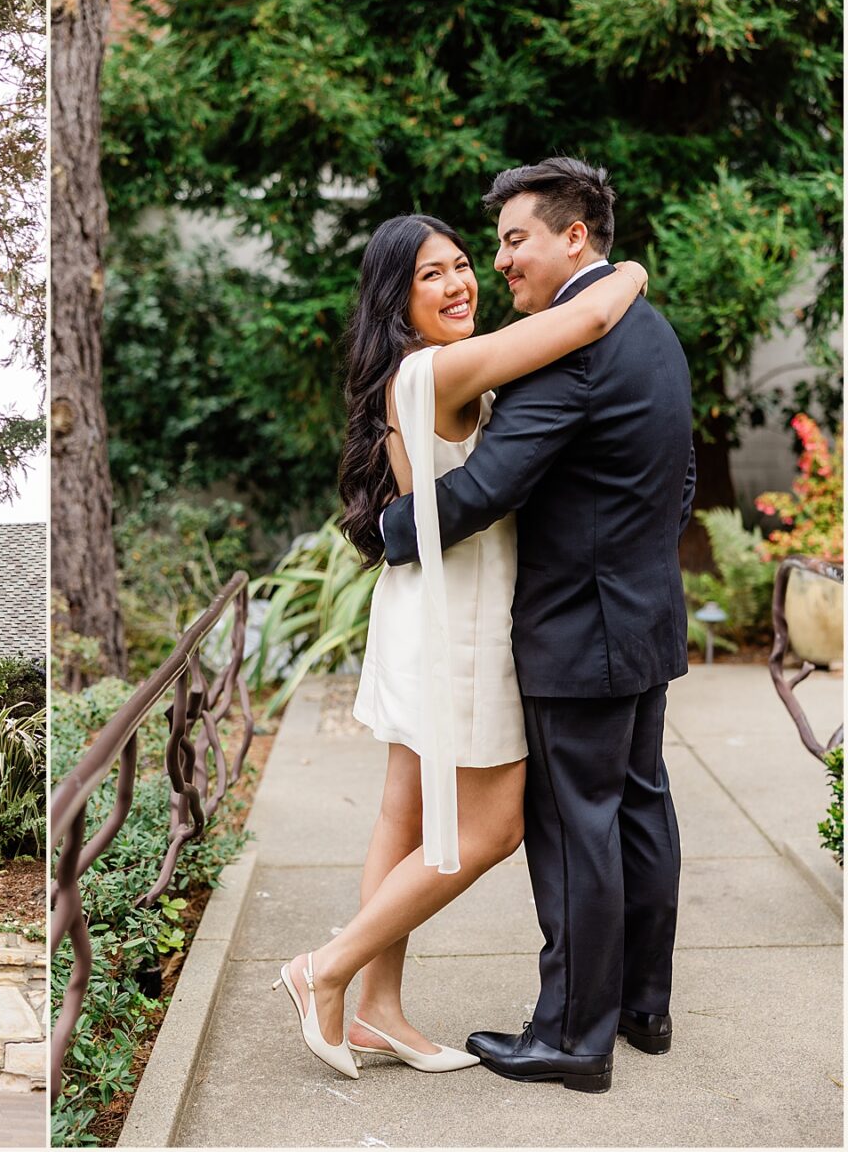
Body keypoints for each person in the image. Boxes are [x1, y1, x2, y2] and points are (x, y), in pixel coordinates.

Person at [275, 174, 662, 1088]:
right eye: (432, 277)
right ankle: (322, 970)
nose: (461, 284)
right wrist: (629, 267)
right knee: (487, 829)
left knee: (401, 815)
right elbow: (578, 325)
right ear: (396, 302)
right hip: (464, 628)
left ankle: (378, 1009)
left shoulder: (429, 366)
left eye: (463, 265)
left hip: (426, 613)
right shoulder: (437, 369)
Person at [375, 158, 695, 1093]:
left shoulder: (576, 349)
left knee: (575, 829)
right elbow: (678, 478)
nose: (502, 261)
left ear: (574, 239)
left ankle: (571, 1036)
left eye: (514, 240)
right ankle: (642, 1005)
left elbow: (482, 488)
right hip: (641, 616)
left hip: (577, 632)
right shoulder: (650, 326)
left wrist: (388, 531)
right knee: (640, 808)